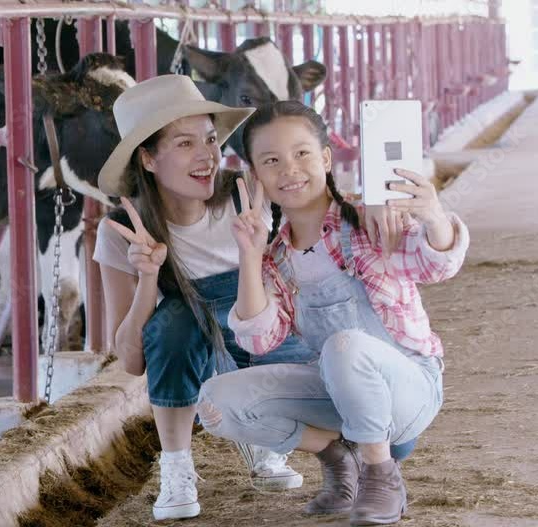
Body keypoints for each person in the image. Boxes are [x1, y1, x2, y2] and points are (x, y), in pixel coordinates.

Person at [93, 75, 402, 521]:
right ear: (147, 158)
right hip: (200, 351)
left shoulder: (249, 194)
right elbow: (131, 360)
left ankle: (299, 445)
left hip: (266, 327)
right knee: (173, 320)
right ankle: (177, 469)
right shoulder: (123, 229)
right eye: (184, 144)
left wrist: (369, 205)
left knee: (326, 370)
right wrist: (148, 278)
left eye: (211, 139)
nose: (207, 156)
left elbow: (328, 206)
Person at [196, 100, 468, 525]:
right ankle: (335, 453)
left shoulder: (370, 221)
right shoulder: (276, 259)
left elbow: (437, 264)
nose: (289, 169)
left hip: (409, 389)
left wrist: (432, 213)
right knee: (216, 401)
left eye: (302, 153)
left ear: (325, 157)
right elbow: (258, 339)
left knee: (344, 346)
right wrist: (249, 255)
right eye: (271, 160)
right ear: (256, 177)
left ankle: (381, 475)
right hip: (342, 394)